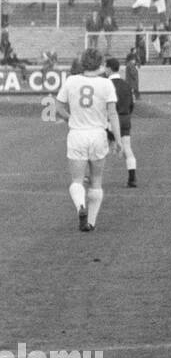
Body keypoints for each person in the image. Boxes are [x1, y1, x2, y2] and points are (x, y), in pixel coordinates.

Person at [54, 48, 122, 231]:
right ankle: (91, 222)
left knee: (77, 180)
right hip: (98, 135)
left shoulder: (71, 81)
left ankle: (80, 207)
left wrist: (71, 118)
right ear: (100, 64)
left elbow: (58, 107)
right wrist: (118, 139)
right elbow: (113, 114)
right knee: (96, 180)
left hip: (77, 134)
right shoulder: (106, 84)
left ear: (82, 63)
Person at [105, 58, 139, 187]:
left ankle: (91, 175)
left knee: (102, 147)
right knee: (127, 148)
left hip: (112, 119)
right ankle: (132, 178)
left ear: (109, 68)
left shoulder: (106, 84)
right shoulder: (126, 85)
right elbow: (131, 104)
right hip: (125, 118)